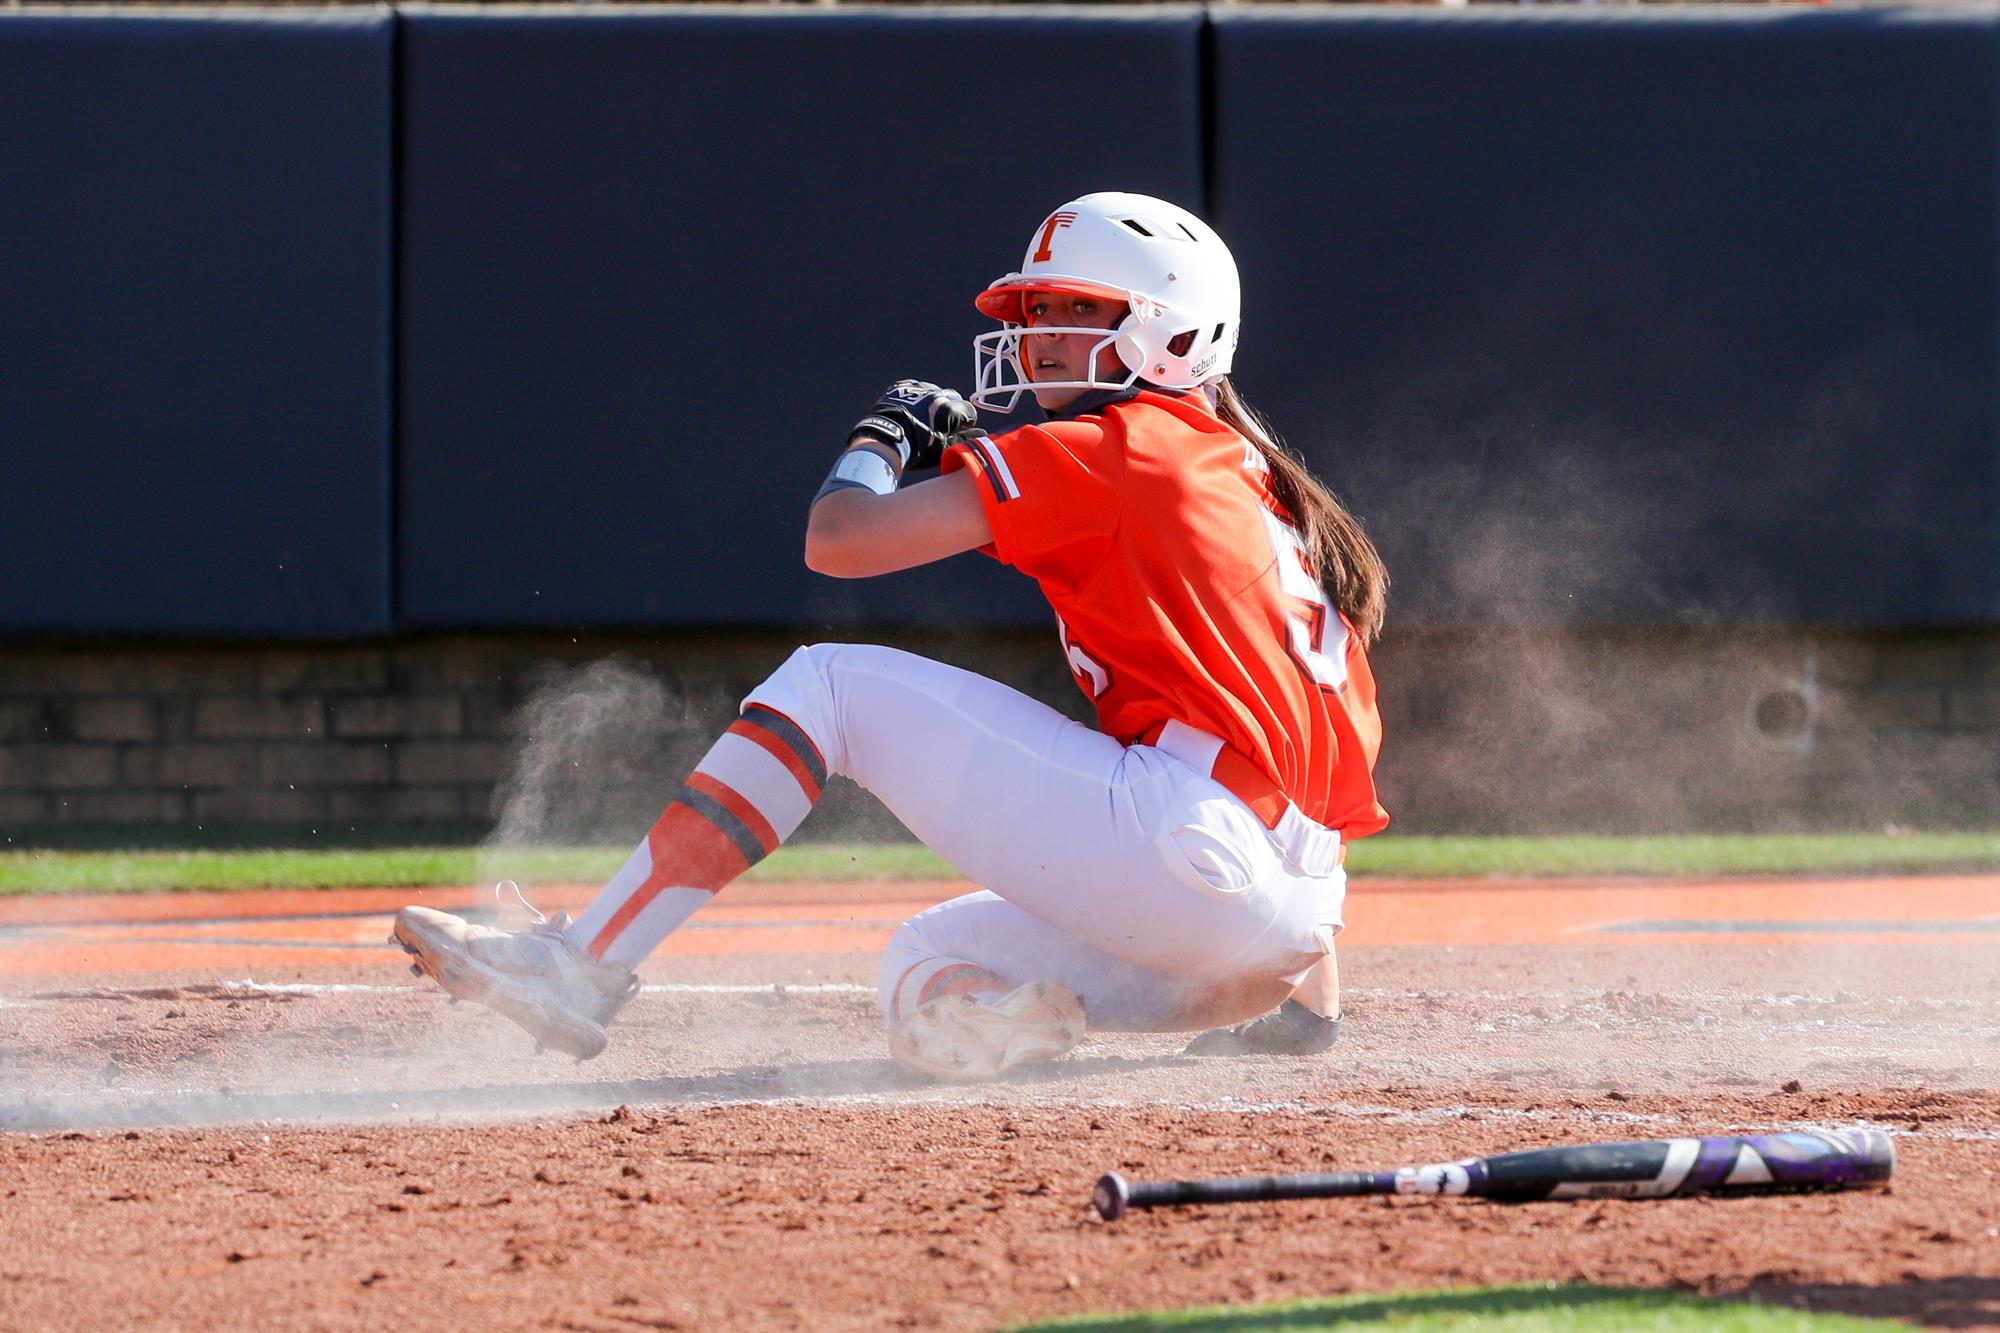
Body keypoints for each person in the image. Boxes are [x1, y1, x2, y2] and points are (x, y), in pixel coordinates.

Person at [392, 191, 1390, 1080]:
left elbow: (839, 542)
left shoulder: (1119, 445)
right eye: (1036, 312)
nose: (1040, 333)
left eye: (1076, 310)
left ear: (1170, 331)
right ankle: (994, 1023)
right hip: (1276, 934)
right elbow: (1306, 760)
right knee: (919, 956)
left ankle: (581, 964)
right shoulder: (1255, 483)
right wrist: (1299, 996)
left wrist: (882, 440)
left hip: (1192, 857)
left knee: (829, 687)